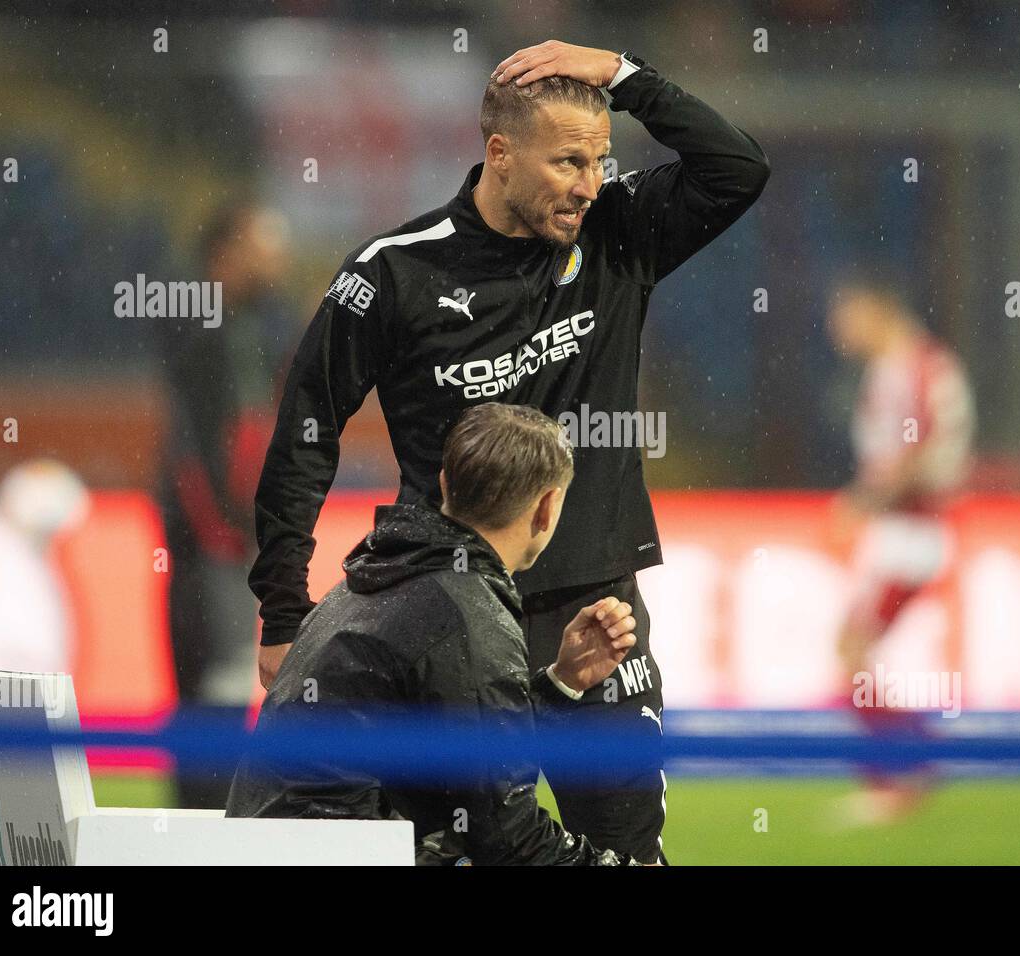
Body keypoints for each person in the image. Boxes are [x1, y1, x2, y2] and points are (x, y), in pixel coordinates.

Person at [248, 40, 769, 862]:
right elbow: (304, 436)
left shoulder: (616, 234)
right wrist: (282, 611)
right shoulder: (393, 274)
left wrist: (627, 77)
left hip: (597, 610)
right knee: (469, 851)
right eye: (567, 161)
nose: (589, 183)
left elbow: (739, 169)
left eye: (600, 161)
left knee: (627, 855)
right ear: (499, 153)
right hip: (443, 614)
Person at [227, 403, 644, 865]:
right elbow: (507, 836)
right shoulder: (465, 612)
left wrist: (560, 682)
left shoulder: (385, 574)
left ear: (444, 482)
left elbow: (473, 759)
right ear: (547, 508)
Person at [156, 202, 294, 808]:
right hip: (212, 550)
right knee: (212, 693)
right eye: (266, 243)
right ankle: (199, 828)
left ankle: (202, 823)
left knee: (220, 694)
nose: (278, 256)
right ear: (227, 252)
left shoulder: (246, 329)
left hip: (229, 546)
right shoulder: (202, 328)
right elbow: (191, 452)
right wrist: (222, 534)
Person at [825, 277, 976, 825]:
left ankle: (898, 773)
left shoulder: (920, 368)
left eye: (847, 313)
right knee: (856, 650)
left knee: (852, 648)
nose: (837, 328)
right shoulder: (890, 370)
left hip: (913, 535)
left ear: (878, 308)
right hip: (898, 534)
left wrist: (864, 499)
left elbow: (924, 451)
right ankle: (912, 758)